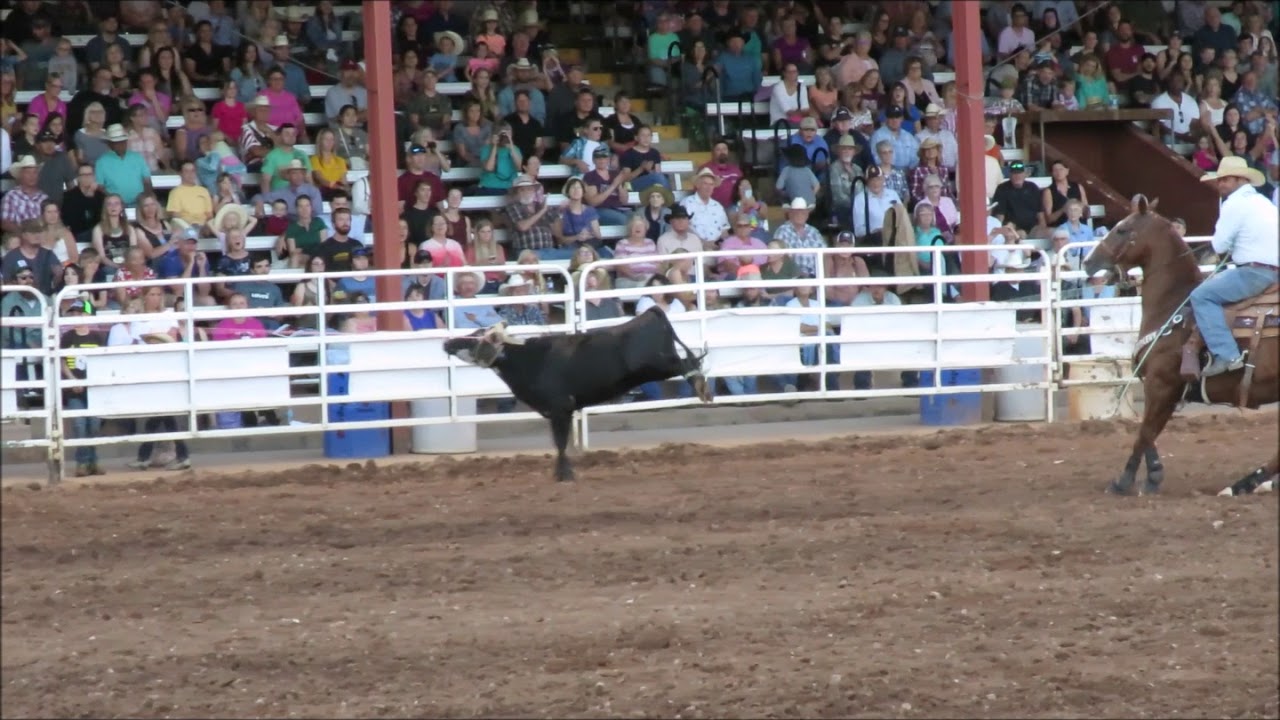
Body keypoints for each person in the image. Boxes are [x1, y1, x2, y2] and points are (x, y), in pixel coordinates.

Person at [1189, 157, 1279, 377]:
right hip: (1271, 270)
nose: (1221, 185)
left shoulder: (1234, 204)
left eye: (1225, 180)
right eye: (1219, 180)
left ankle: (1228, 354)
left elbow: (1219, 245)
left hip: (1253, 272)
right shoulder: (1263, 201)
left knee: (1201, 296)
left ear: (1240, 179)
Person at [60, 298, 107, 477]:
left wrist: (89, 381)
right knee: (80, 425)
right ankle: (84, 462)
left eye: (80, 312)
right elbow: (63, 362)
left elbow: (102, 361)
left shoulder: (97, 337)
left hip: (92, 387)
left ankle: (91, 462)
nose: (77, 316)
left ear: (87, 314)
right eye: (74, 313)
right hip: (74, 388)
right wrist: (73, 380)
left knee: (93, 425)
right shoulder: (67, 337)